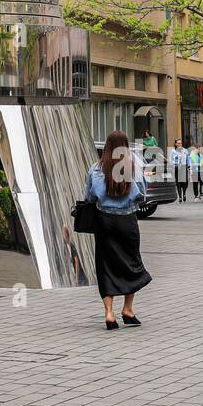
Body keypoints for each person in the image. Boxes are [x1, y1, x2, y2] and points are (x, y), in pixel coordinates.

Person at [83, 129, 152, 330]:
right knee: (131, 262)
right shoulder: (133, 166)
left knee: (105, 264)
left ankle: (109, 313)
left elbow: (88, 197)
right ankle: (127, 309)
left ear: (106, 146)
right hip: (127, 220)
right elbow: (143, 193)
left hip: (104, 221)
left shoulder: (96, 168)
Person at [170, 138, 189, 203]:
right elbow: (171, 160)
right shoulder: (173, 151)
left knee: (185, 182)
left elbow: (188, 159)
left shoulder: (185, 150)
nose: (180, 144)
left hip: (184, 167)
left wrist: (189, 166)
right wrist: (174, 165)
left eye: (180, 143)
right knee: (178, 183)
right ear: (175, 144)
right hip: (177, 167)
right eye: (178, 143)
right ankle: (180, 197)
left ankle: (184, 194)